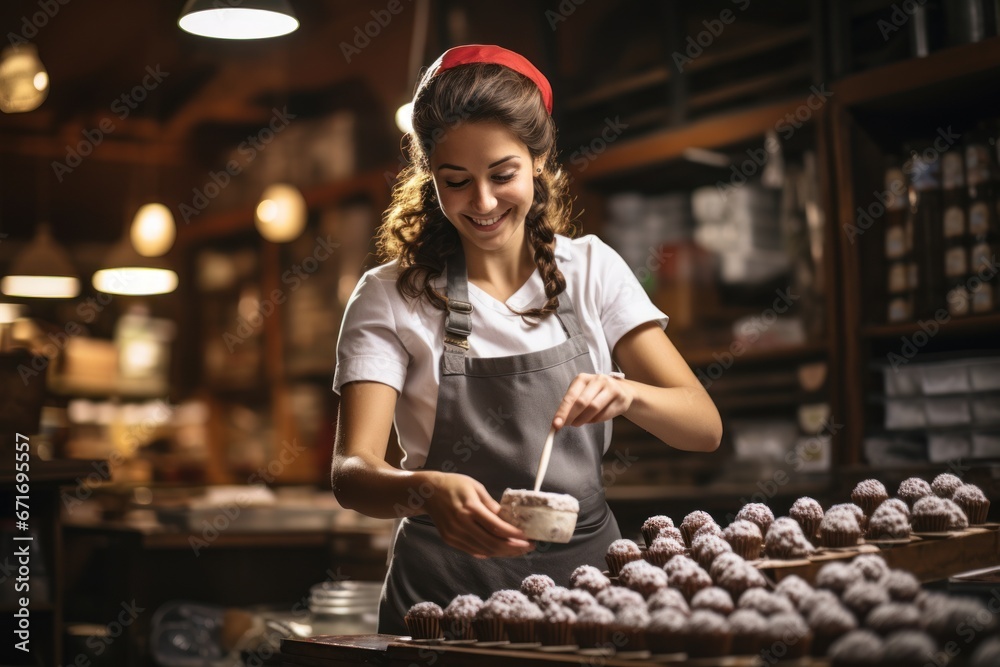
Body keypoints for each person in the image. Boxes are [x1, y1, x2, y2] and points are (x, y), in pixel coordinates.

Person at [331, 44, 722, 634]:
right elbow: (351, 472)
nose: (483, 203)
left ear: (538, 158)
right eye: (455, 181)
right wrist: (423, 490)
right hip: (442, 602)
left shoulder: (592, 269)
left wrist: (630, 396)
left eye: (503, 174)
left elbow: (703, 427)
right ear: (428, 176)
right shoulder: (388, 294)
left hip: (588, 595)